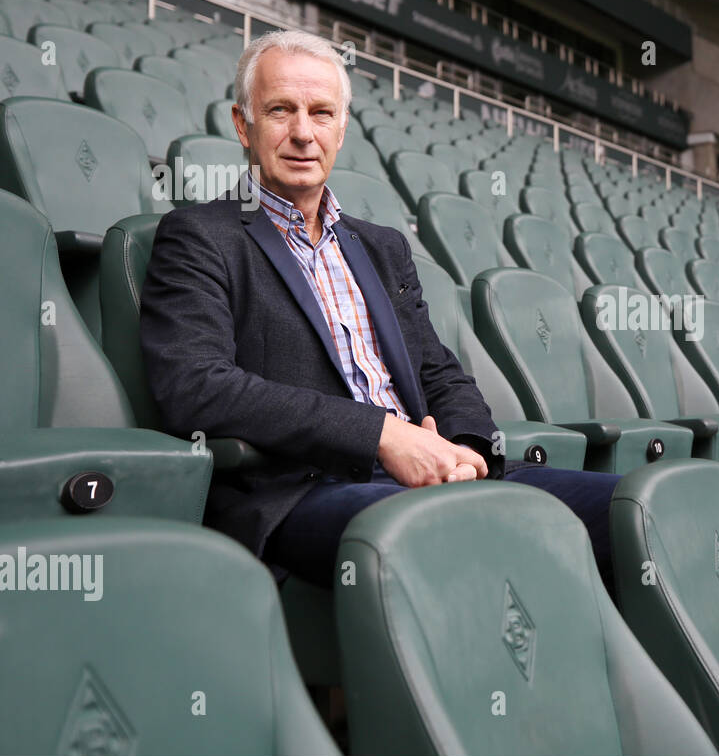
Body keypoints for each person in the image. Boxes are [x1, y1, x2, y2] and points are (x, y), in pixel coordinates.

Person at [139, 29, 618, 589]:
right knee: (465, 534)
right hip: (307, 489)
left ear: (341, 129)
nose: (302, 133)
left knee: (639, 511)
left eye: (321, 113)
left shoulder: (382, 246)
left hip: (433, 475)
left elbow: (437, 371)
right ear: (243, 125)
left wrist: (461, 452)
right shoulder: (199, 235)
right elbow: (196, 387)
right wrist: (384, 436)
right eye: (280, 111)